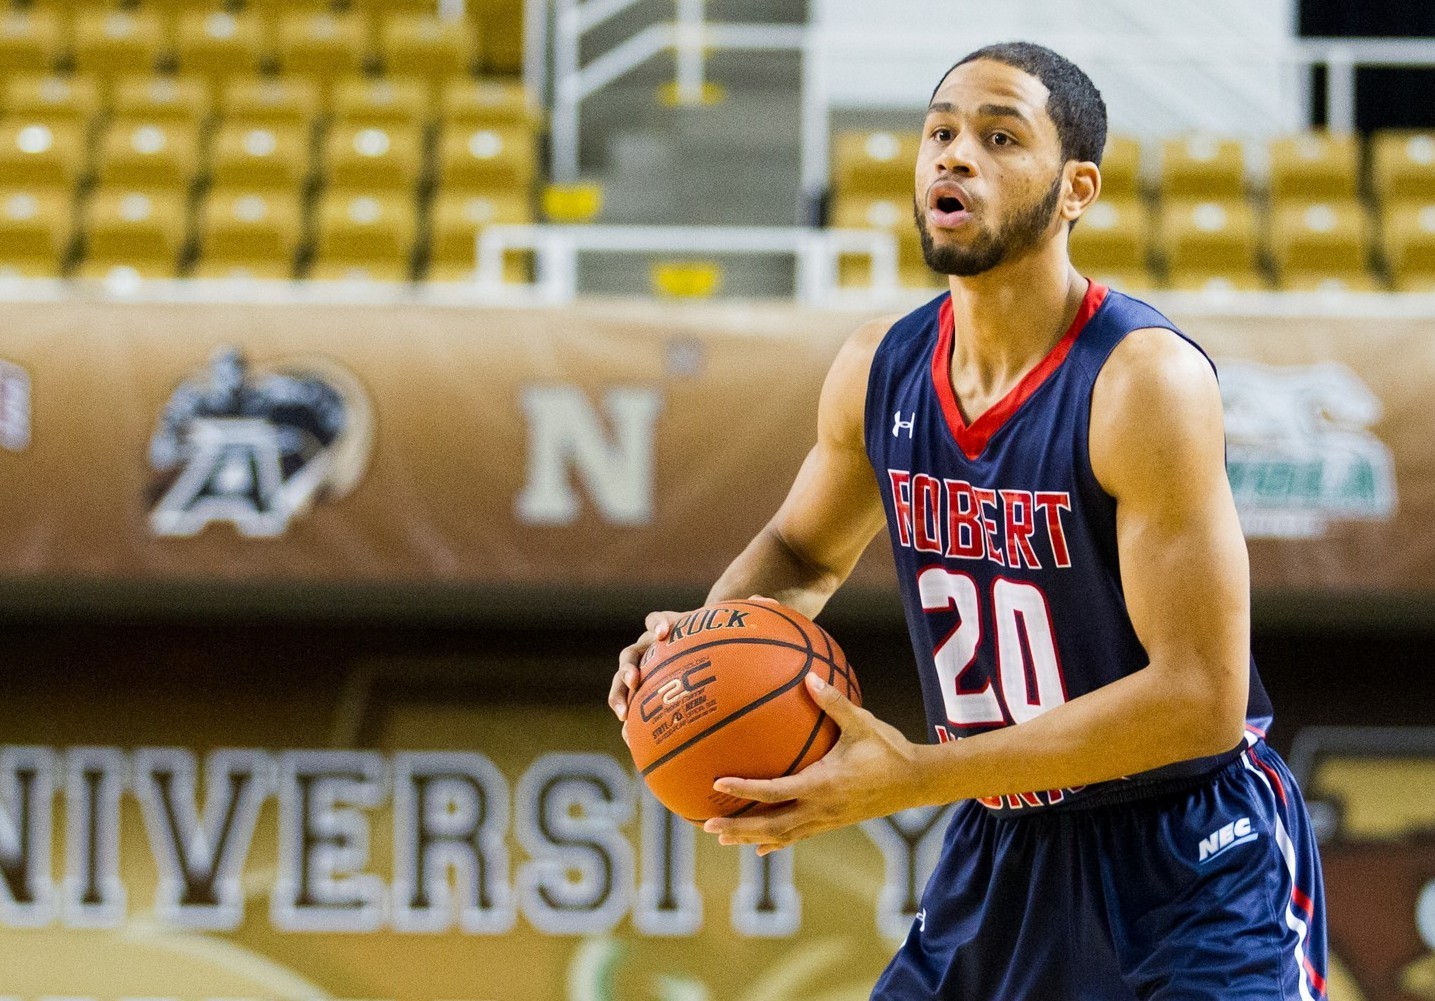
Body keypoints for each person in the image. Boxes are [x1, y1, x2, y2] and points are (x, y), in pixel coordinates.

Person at [609, 41, 1327, 1001]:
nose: (954, 156)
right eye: (939, 132)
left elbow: (1198, 696)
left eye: (998, 138)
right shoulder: (880, 367)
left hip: (1187, 854)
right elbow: (798, 549)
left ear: (1075, 188)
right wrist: (692, 650)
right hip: (1003, 844)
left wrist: (919, 773)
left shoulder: (1142, 381)